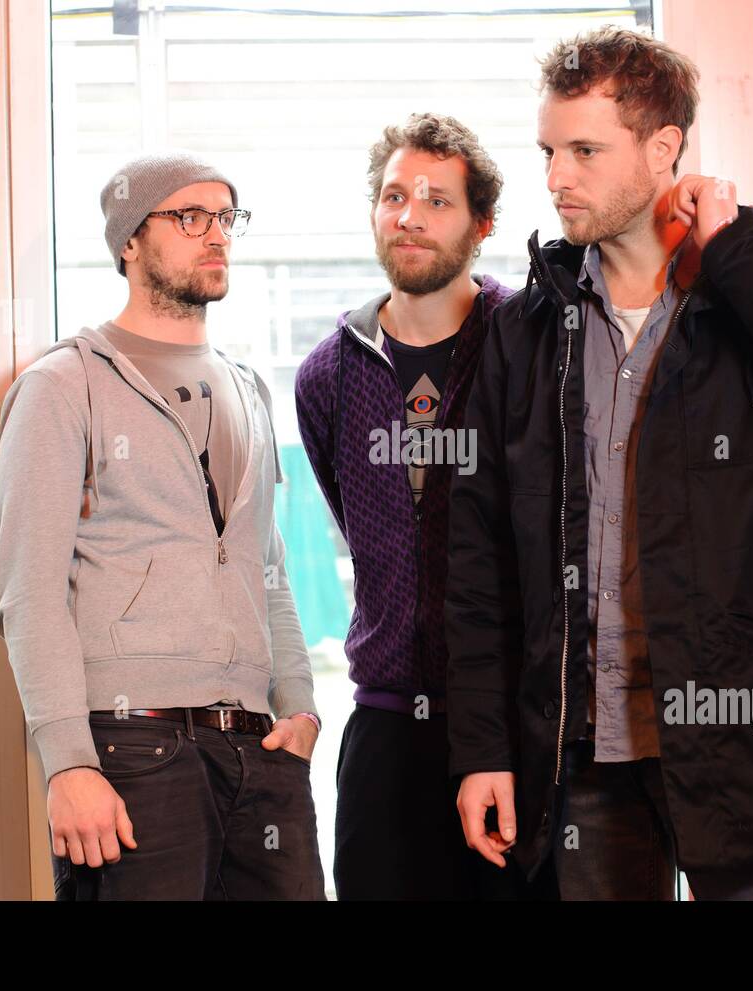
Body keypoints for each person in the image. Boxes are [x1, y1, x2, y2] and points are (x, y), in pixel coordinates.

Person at [447, 27, 753, 900]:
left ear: (663, 148)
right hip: (582, 752)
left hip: (743, 736)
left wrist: (735, 248)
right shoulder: (527, 328)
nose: (556, 177)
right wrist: (481, 750)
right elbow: (476, 560)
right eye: (550, 150)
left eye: (585, 151)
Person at [0, 151, 324, 900]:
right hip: (131, 744)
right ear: (129, 242)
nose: (218, 234)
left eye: (227, 217)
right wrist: (69, 760)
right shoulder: (62, 384)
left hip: (259, 747)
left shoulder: (246, 389)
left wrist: (298, 705)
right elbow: (27, 593)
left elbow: (265, 568)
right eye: (189, 216)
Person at [294, 114, 526, 899]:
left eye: (436, 201)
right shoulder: (327, 375)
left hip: (512, 727)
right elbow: (362, 523)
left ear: (483, 223)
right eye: (394, 196)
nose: (409, 217)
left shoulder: (526, 344)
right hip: (387, 731)